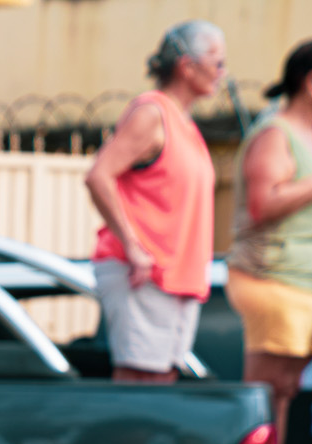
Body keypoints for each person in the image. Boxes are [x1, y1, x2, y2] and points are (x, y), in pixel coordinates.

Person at [84, 20, 223, 385]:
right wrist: (133, 246)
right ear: (186, 65)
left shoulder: (183, 122)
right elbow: (99, 175)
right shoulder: (151, 113)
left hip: (175, 277)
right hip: (145, 273)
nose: (222, 73)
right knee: (139, 383)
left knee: (160, 383)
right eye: (216, 62)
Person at [227, 39, 312, 444]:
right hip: (273, 278)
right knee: (265, 393)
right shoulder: (275, 134)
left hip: (303, 284)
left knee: (284, 391)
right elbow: (264, 206)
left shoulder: (309, 137)